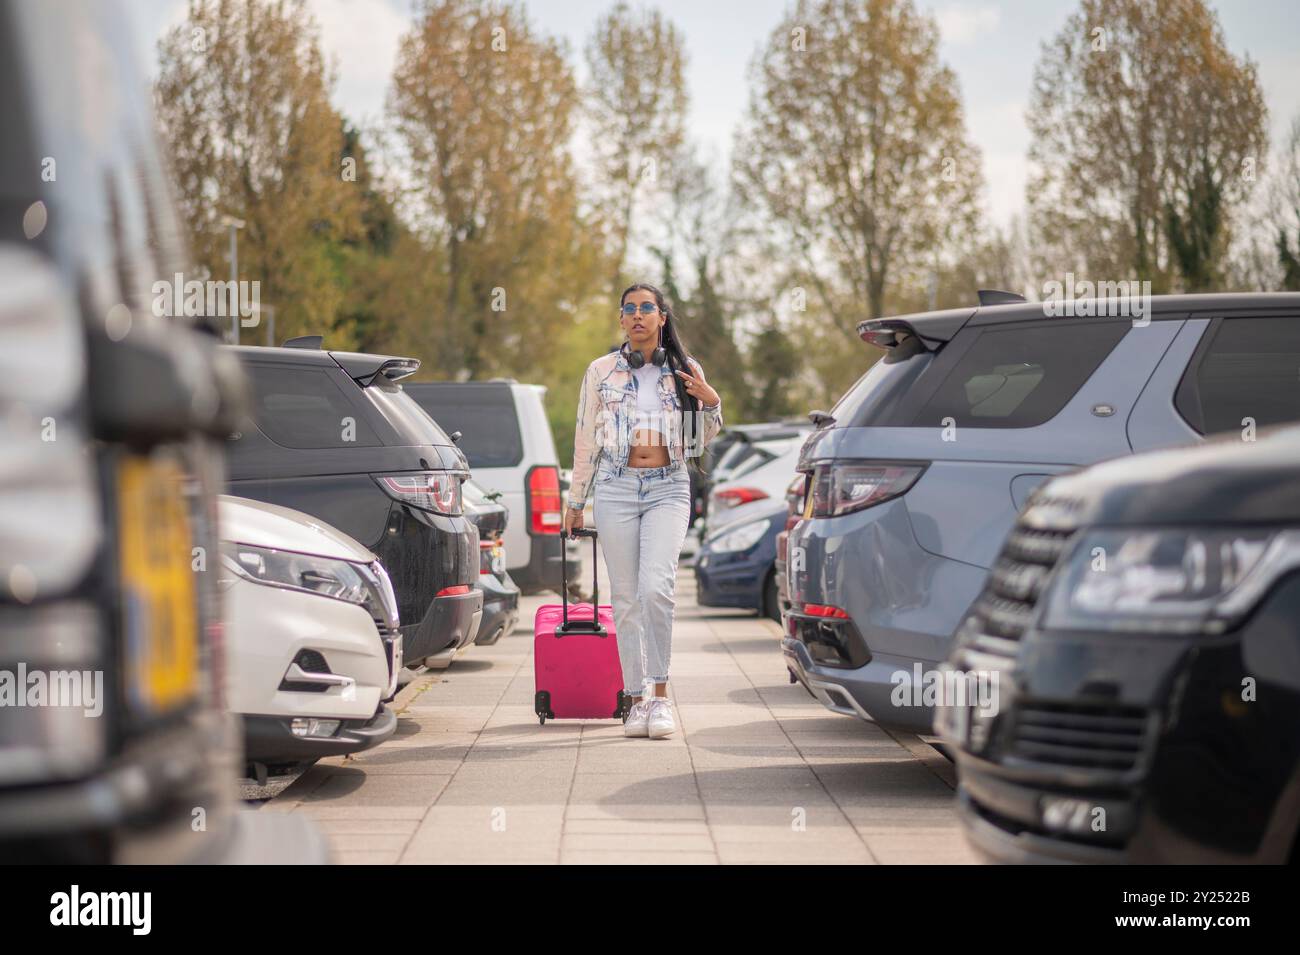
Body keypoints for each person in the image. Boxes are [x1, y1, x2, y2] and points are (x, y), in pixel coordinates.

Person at [561, 283, 722, 739]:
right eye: (629, 309)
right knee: (626, 599)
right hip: (615, 488)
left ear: (662, 318)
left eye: (646, 308)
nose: (638, 316)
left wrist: (710, 403)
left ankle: (660, 698)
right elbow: (585, 441)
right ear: (621, 320)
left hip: (668, 487)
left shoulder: (685, 370)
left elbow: (697, 441)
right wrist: (576, 502)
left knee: (657, 588)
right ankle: (634, 702)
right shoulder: (600, 371)